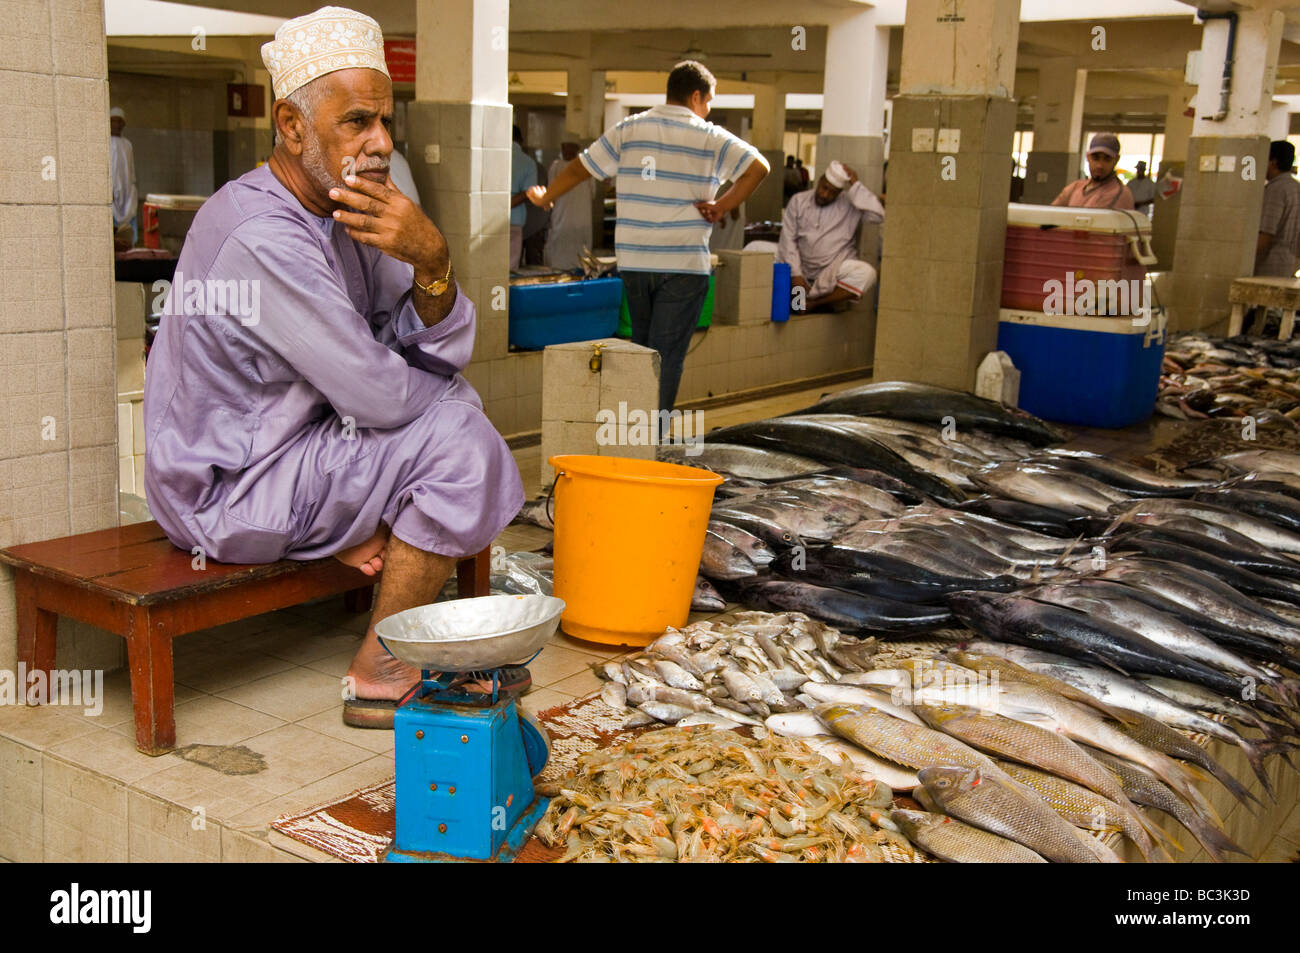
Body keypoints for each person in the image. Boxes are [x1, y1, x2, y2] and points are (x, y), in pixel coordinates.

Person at [143, 6, 525, 729]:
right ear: (291, 126)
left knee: (455, 407)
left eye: (386, 120)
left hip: (298, 451)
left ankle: (362, 546)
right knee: (457, 439)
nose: (380, 142)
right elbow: (380, 393)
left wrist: (433, 265)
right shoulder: (260, 233)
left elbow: (433, 349)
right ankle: (384, 667)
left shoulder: (346, 209)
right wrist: (434, 387)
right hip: (228, 486)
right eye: (357, 122)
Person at [527, 60, 769, 414]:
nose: (708, 110)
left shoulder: (629, 128)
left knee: (642, 349)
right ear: (696, 95)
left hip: (637, 262)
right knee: (666, 356)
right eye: (709, 102)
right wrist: (721, 206)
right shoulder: (709, 136)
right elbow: (758, 167)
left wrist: (546, 196)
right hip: (684, 264)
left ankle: (632, 437)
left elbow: (581, 167)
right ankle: (650, 442)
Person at [744, 160, 883, 312]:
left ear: (839, 193)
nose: (825, 194)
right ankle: (779, 302)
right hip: (799, 262)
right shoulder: (799, 200)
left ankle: (814, 304)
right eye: (824, 188)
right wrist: (796, 274)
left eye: (832, 193)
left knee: (867, 273)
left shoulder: (850, 204)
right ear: (820, 180)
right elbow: (788, 239)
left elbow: (877, 216)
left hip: (831, 268)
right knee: (754, 248)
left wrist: (855, 185)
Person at [544, 141, 596, 269]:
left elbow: (550, 195)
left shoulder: (587, 167)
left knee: (578, 258)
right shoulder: (557, 166)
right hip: (564, 220)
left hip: (576, 221)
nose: (565, 151)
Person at [1051, 133, 1135, 210]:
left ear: (1116, 160)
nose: (1099, 165)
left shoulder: (1119, 193)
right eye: (1095, 158)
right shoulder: (1075, 188)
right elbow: (1051, 215)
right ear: (1088, 157)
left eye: (1107, 159)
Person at [1256, 140, 1300, 279]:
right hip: (1290, 263)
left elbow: (1266, 234)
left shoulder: (1276, 190)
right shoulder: (1296, 187)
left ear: (1273, 162)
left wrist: (1241, 259)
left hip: (1269, 265)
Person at [509, 125, 538, 270]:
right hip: (514, 221)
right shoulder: (527, 162)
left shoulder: (491, 157)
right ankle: (504, 293)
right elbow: (528, 192)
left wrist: (497, 207)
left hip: (487, 219)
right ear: (520, 140)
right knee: (510, 266)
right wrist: (506, 206)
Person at [110, 106, 138, 245]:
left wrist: (131, 190)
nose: (117, 125)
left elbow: (130, 171)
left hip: (127, 194)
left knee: (128, 235)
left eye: (119, 121)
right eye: (114, 121)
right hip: (112, 194)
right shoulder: (105, 142)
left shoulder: (128, 144)